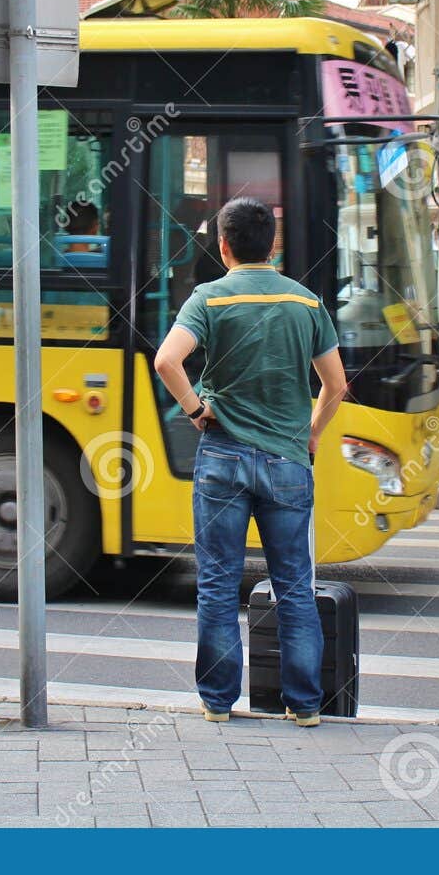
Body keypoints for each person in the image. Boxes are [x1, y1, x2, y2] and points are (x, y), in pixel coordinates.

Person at [153, 196, 347, 728]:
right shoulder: (306, 303)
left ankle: (219, 702)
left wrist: (196, 410)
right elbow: (336, 384)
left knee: (218, 584)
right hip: (288, 461)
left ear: (223, 246)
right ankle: (304, 704)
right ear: (272, 245)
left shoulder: (209, 298)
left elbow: (167, 361)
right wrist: (311, 435)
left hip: (222, 457)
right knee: (294, 586)